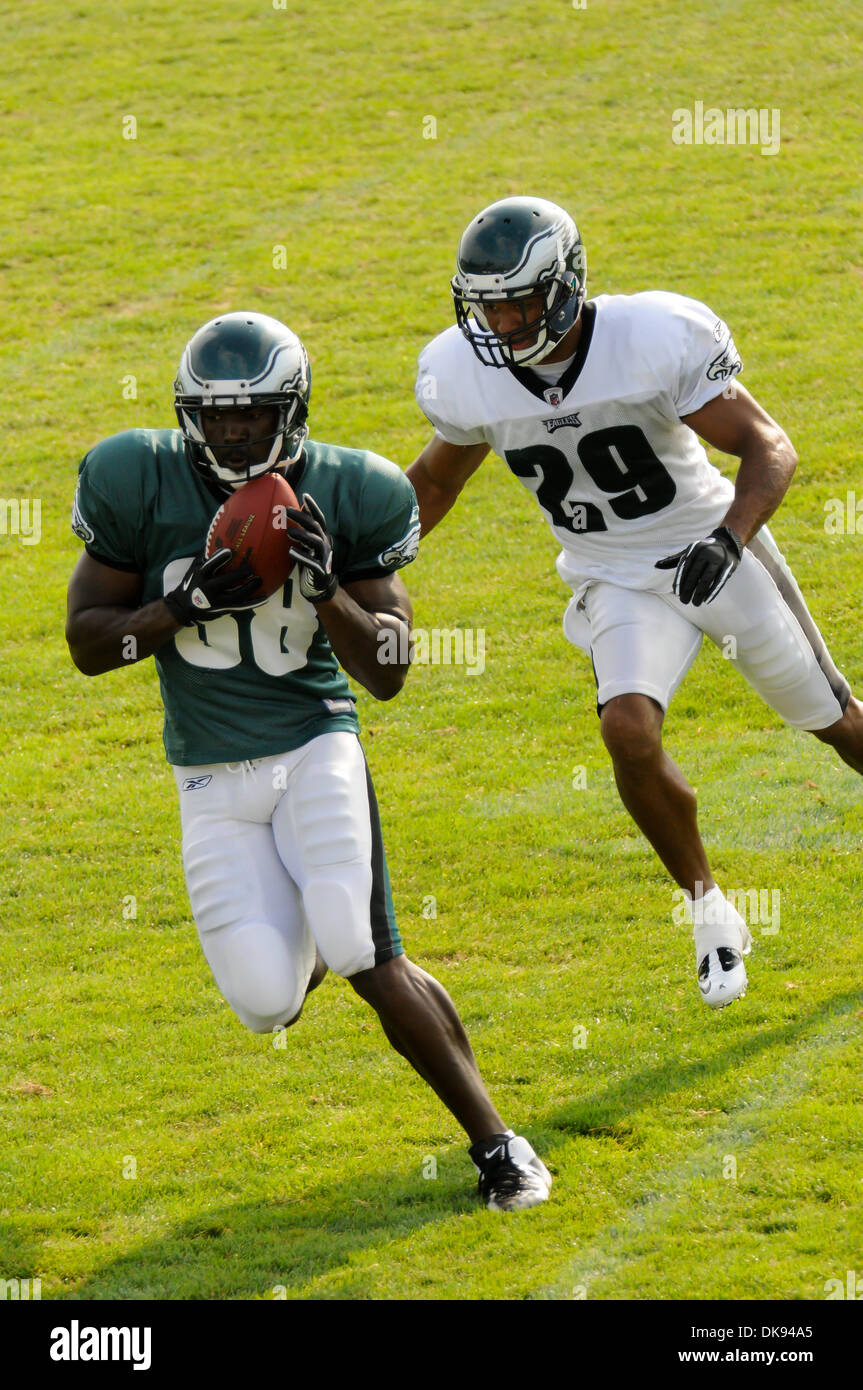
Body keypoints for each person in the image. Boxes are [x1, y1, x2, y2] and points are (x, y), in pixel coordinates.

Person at [65, 310, 551, 1211]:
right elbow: (89, 647)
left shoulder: (352, 488)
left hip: (313, 740)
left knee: (362, 944)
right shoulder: (134, 476)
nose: (234, 431)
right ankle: (307, 954)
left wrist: (326, 591)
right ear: (187, 414)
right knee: (264, 1002)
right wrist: (182, 605)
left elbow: (388, 674)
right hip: (208, 770)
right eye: (216, 415)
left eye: (253, 413)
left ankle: (501, 1149)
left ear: (292, 410)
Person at [407, 196, 863, 1009]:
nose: (502, 323)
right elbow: (437, 479)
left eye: (517, 302)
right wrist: (358, 554)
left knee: (838, 727)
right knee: (625, 727)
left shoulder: (648, 336)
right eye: (487, 306)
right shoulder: (465, 373)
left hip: (709, 548)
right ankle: (710, 914)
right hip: (611, 573)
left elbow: (768, 446)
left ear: (563, 286)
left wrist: (727, 538)